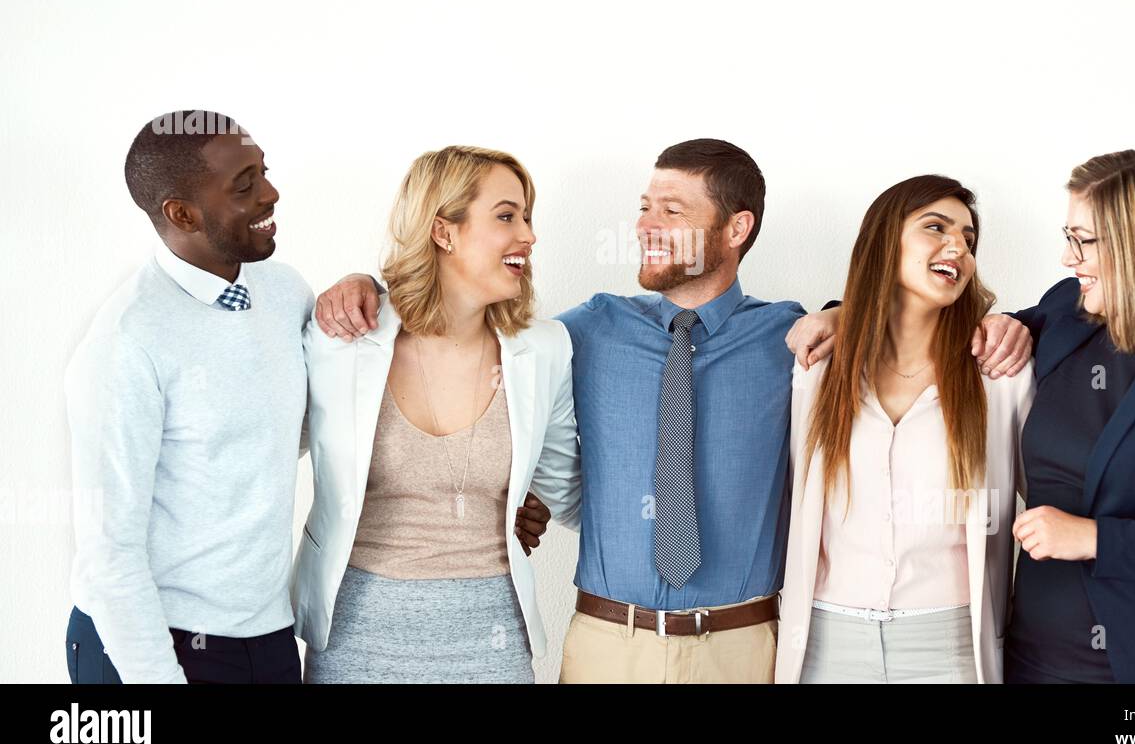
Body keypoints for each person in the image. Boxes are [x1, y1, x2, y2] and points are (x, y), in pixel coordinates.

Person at [315, 140, 1031, 683]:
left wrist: (903, 317)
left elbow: (894, 331)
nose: (645, 225)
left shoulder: (795, 341)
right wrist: (371, 287)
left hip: (744, 649)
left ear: (736, 228)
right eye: (644, 207)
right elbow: (462, 320)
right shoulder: (583, 331)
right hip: (603, 646)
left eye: (672, 211)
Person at [788, 149, 1135, 683]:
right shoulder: (1067, 316)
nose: (1069, 259)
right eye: (1069, 238)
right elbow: (965, 326)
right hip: (1036, 657)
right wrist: (842, 313)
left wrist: (1092, 538)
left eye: (1083, 241)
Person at [292, 147, 580, 683]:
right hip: (357, 638)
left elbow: (573, 494)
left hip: (492, 642)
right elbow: (265, 452)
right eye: (506, 216)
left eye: (527, 216)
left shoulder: (544, 350)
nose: (529, 235)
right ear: (443, 232)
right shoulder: (342, 339)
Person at [65, 110, 311, 683]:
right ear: (181, 213)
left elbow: (291, 426)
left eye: (263, 173)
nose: (271, 194)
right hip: (148, 642)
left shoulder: (284, 290)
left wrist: (361, 291)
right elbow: (110, 553)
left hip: (267, 634)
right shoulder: (126, 342)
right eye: (244, 185)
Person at [777, 175, 1034, 684]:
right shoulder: (818, 368)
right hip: (827, 643)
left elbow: (1061, 491)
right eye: (935, 227)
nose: (957, 246)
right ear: (883, 241)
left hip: (951, 645)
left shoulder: (998, 374)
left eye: (968, 238)